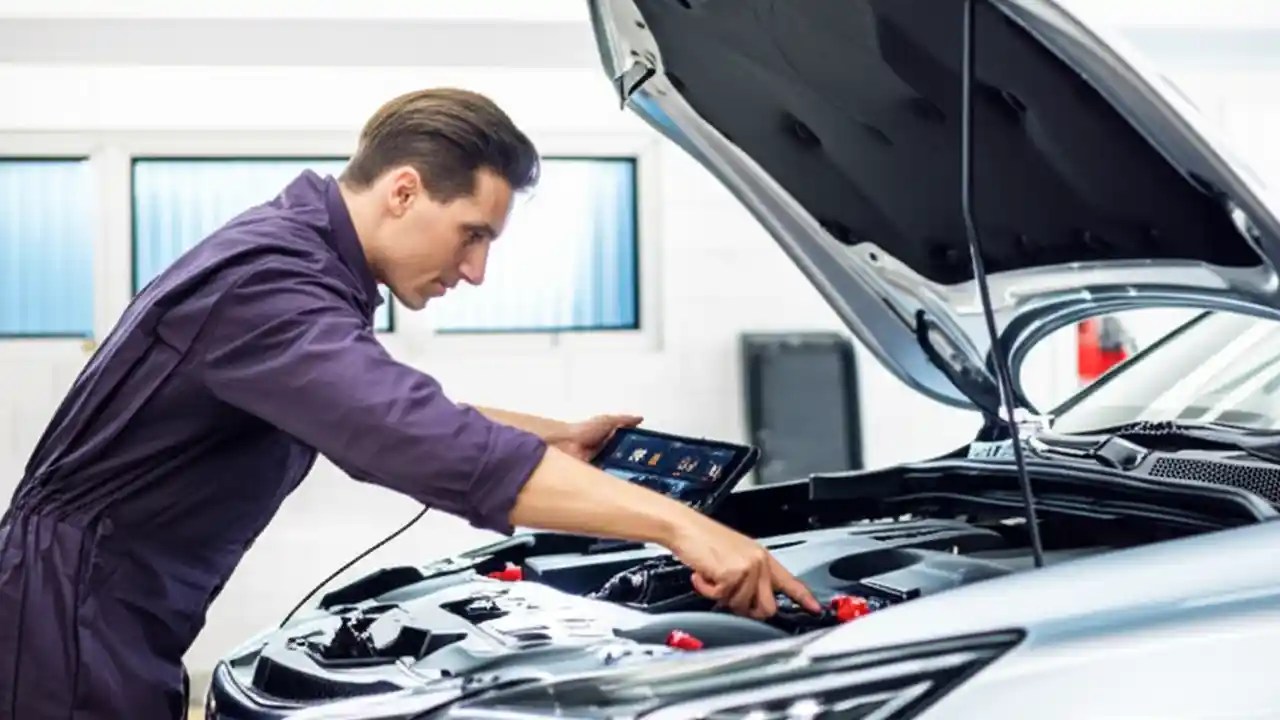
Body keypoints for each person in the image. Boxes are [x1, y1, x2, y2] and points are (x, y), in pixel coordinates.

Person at [0, 88, 820, 719]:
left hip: (102, 602)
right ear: (403, 192)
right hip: (71, 616)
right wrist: (685, 525)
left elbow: (379, 400)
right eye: (473, 234)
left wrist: (554, 438)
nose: (475, 271)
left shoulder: (297, 254)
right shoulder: (271, 283)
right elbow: (409, 433)